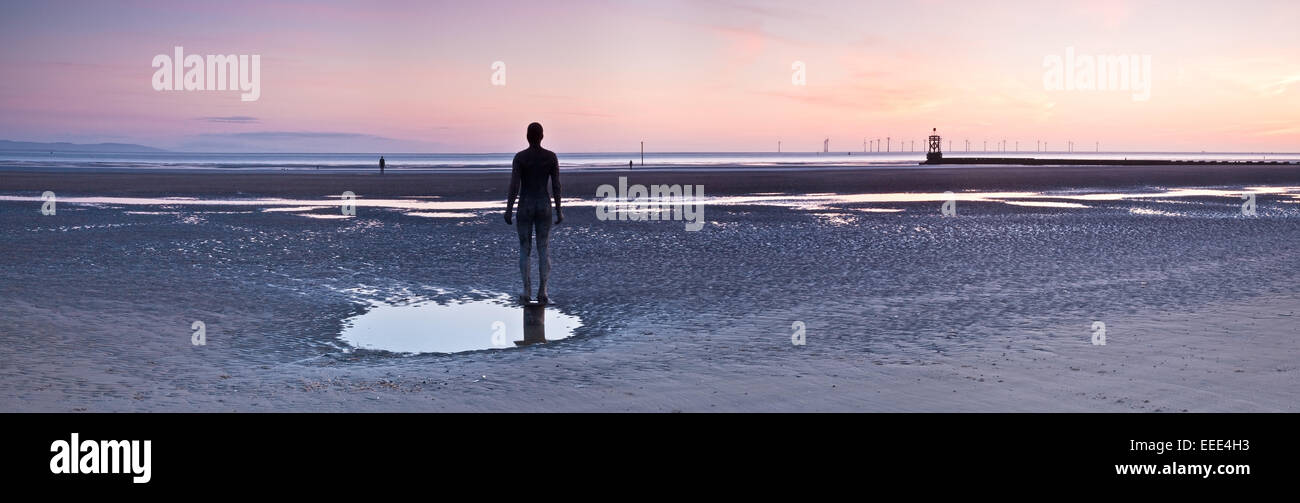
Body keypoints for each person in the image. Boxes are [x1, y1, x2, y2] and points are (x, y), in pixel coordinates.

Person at [505, 122, 562, 304]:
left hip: (526, 204)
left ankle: (526, 290)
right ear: (542, 136)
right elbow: (556, 185)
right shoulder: (550, 157)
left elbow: (514, 185)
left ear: (527, 137)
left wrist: (509, 208)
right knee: (543, 248)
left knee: (525, 249)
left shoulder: (521, 158)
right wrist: (559, 210)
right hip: (543, 204)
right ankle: (542, 291)